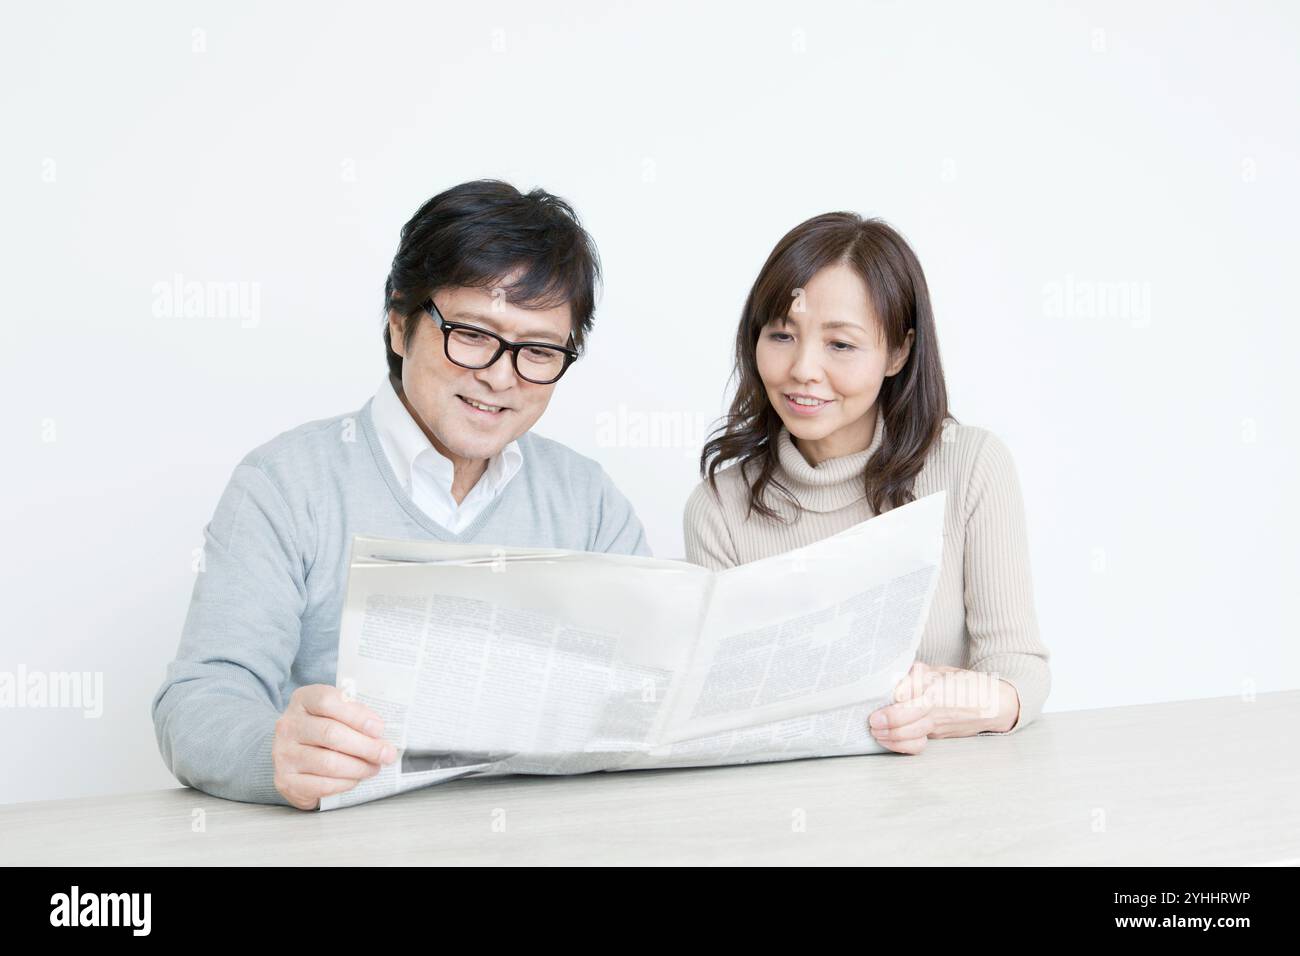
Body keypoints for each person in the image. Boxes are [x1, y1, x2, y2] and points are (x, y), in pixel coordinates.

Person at [153, 180, 650, 809]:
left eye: (539, 350)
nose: (501, 376)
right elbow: (199, 698)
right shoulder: (286, 484)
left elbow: (648, 690)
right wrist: (275, 751)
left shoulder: (589, 501)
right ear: (399, 323)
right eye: (471, 333)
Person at [684, 212, 1050, 755]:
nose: (803, 369)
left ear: (898, 352)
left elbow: (1018, 672)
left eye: (841, 345)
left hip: (950, 803)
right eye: (782, 335)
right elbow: (719, 702)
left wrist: (953, 706)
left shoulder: (971, 465)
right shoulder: (720, 506)